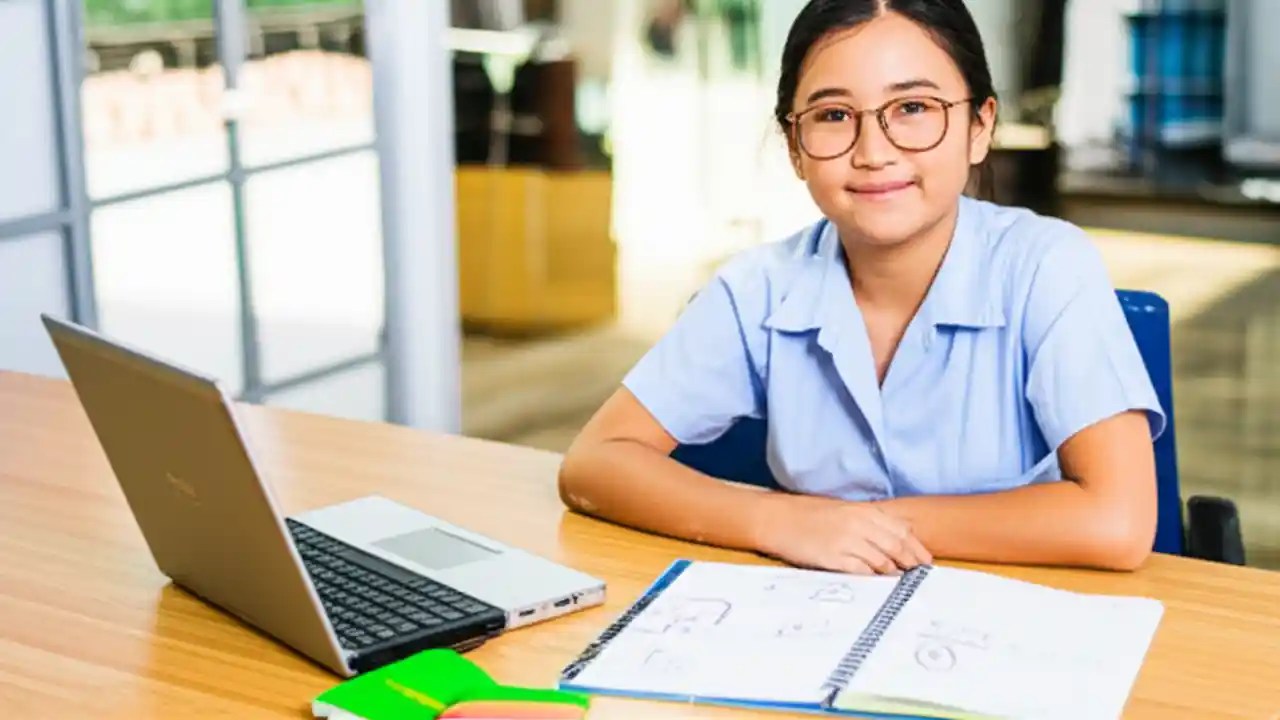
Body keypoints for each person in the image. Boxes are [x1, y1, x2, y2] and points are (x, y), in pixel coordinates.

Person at [558, 0, 1165, 575]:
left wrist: (861, 526)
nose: (874, 152)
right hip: (818, 618)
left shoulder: (1045, 265)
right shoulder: (758, 289)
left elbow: (1118, 520)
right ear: (795, 148)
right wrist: (779, 519)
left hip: (1017, 617)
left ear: (980, 127)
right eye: (832, 116)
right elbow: (595, 461)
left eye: (914, 109)